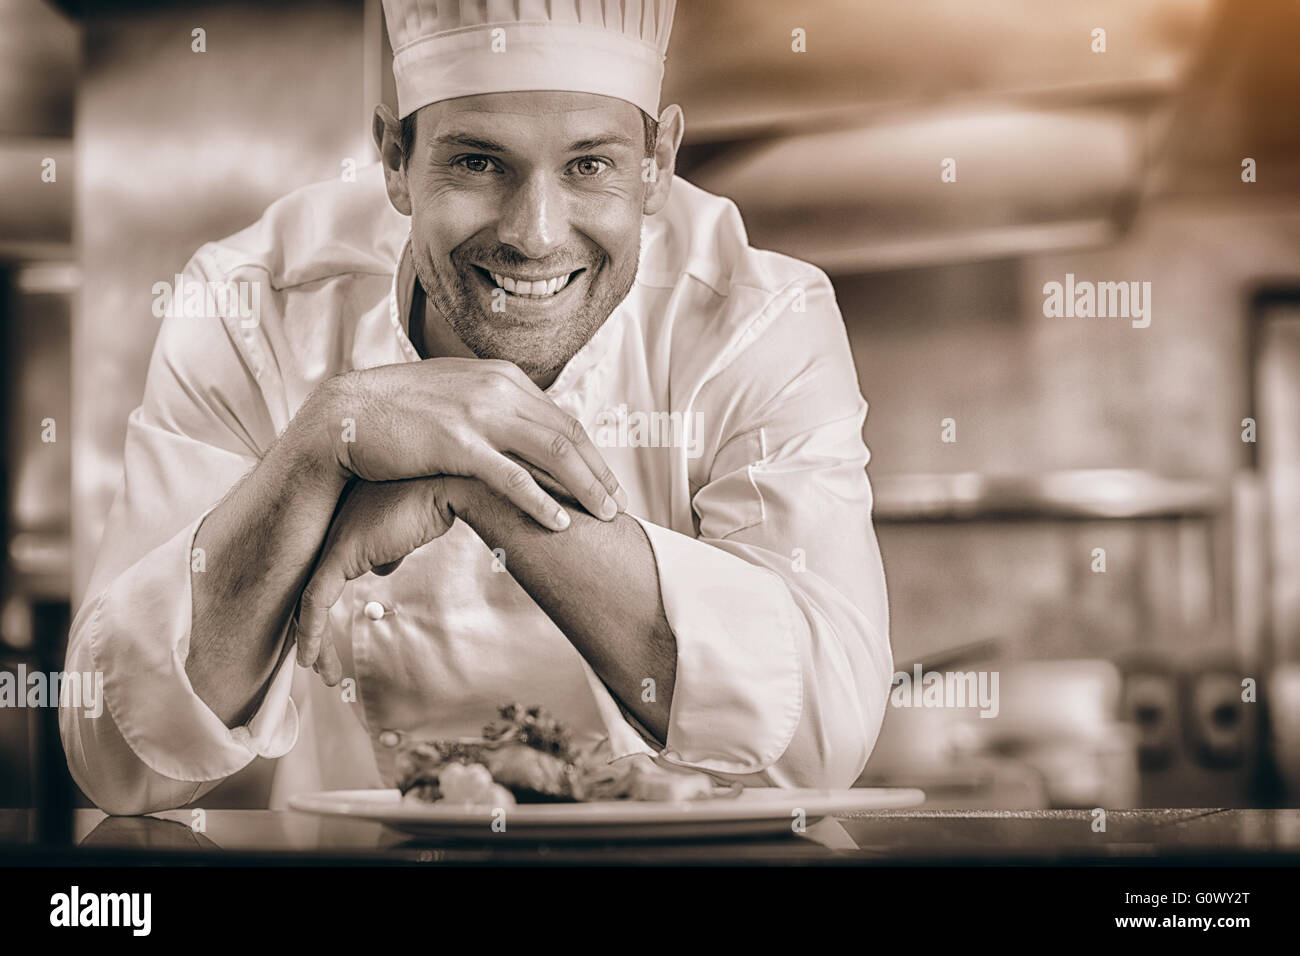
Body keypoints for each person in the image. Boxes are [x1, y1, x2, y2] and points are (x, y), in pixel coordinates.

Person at [60, 0, 893, 815]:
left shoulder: (757, 316)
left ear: (658, 162)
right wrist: (320, 443)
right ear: (394, 159)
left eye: (589, 164)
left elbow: (818, 741)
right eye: (477, 162)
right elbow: (119, 760)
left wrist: (485, 490)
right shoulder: (254, 307)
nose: (534, 233)